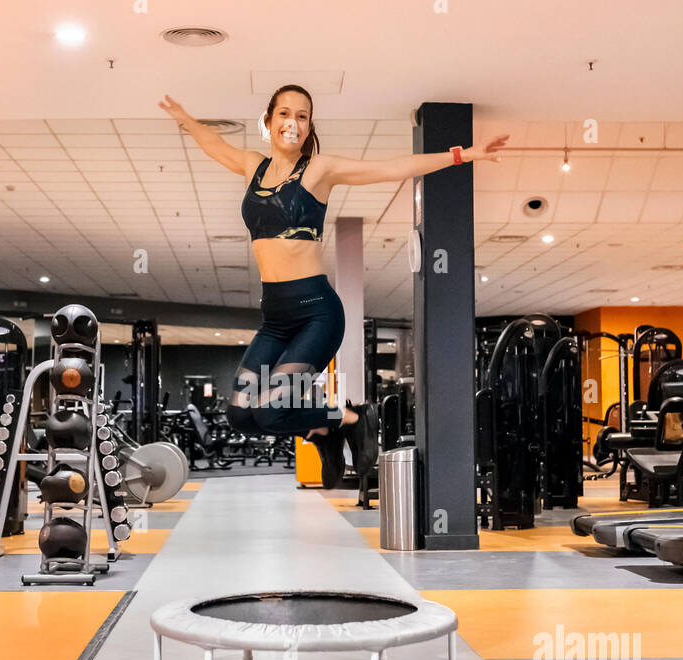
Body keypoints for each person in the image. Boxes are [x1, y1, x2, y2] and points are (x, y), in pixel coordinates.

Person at [160, 86, 508, 488]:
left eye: (303, 116)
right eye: (285, 114)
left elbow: (389, 168)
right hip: (274, 318)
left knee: (272, 413)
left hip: (316, 314)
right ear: (269, 120)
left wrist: (462, 154)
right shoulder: (251, 166)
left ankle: (352, 418)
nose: (293, 123)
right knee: (240, 414)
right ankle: (323, 432)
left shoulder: (318, 171)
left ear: (309, 126)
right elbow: (213, 144)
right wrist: (186, 120)